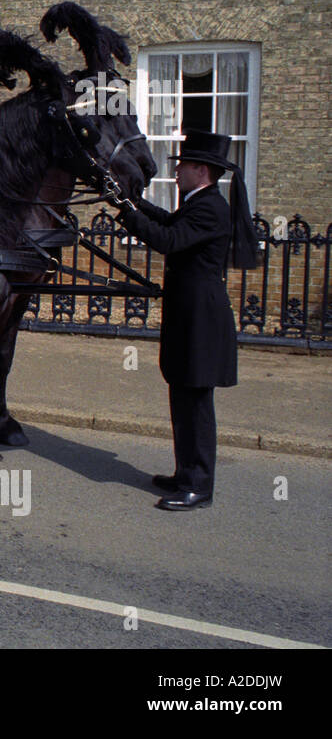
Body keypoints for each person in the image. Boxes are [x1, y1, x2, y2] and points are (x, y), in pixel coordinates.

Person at [112, 130, 260, 511]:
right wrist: (134, 203)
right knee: (182, 395)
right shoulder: (200, 201)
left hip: (201, 319)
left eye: (183, 168)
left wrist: (128, 215)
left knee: (195, 402)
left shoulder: (210, 207)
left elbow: (170, 240)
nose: (176, 174)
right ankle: (184, 473)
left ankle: (199, 485)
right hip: (189, 314)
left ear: (201, 170)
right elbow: (170, 221)